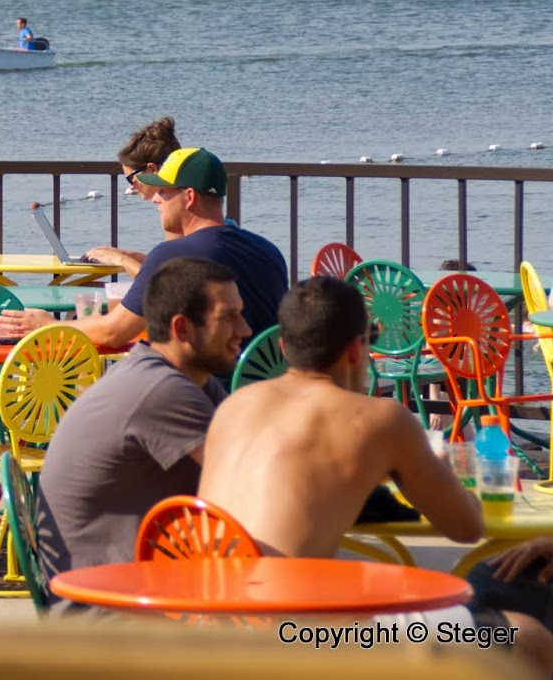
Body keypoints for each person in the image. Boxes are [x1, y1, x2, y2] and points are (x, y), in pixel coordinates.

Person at [200, 276, 553, 670]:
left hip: (215, 616)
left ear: (284, 347)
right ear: (356, 349)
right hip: (304, 633)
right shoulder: (377, 419)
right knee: (524, 636)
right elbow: (467, 527)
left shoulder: (233, 408)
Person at [34, 256, 248, 597]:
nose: (245, 329)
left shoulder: (183, 378)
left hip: (136, 584)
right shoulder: (163, 391)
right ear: (182, 329)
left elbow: (247, 445)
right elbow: (248, 478)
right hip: (109, 611)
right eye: (228, 317)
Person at [0, 147, 287, 351]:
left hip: (204, 399)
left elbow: (113, 332)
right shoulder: (269, 250)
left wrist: (49, 326)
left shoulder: (173, 257)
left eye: (163, 191)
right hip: (262, 394)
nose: (155, 200)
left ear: (188, 197)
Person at [83, 117, 182, 277]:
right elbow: (173, 264)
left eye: (131, 178)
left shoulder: (176, 210)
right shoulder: (189, 197)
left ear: (152, 169)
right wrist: (128, 255)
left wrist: (121, 259)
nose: (130, 186)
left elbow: (163, 283)